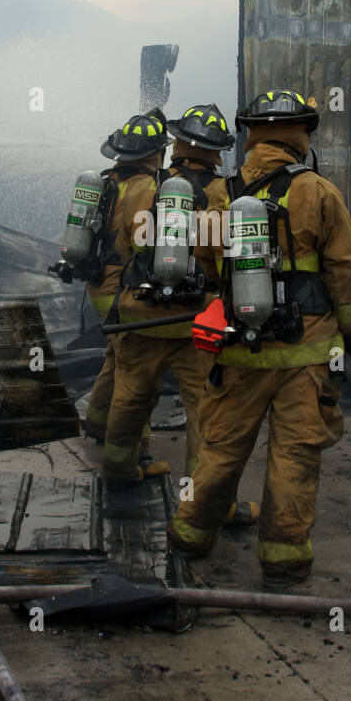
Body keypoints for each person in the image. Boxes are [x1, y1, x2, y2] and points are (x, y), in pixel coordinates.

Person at [166, 89, 351, 589]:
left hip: (240, 348)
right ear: (302, 135)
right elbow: (345, 269)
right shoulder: (319, 192)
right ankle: (283, 560)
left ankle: (191, 536)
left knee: (220, 448)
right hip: (306, 352)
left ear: (251, 135)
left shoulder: (224, 195)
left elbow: (208, 264)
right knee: (295, 453)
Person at [103, 104, 235, 487]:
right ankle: (199, 499)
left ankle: (118, 473)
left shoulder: (147, 187)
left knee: (129, 399)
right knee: (203, 410)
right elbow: (225, 263)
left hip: (139, 314)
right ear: (216, 151)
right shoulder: (221, 196)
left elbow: (126, 250)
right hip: (193, 324)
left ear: (176, 145)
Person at [82, 111, 168, 459]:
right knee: (136, 367)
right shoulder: (144, 188)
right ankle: (134, 447)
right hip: (121, 285)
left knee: (116, 355)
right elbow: (144, 247)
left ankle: (99, 422)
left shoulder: (108, 181)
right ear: (156, 153)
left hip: (99, 282)